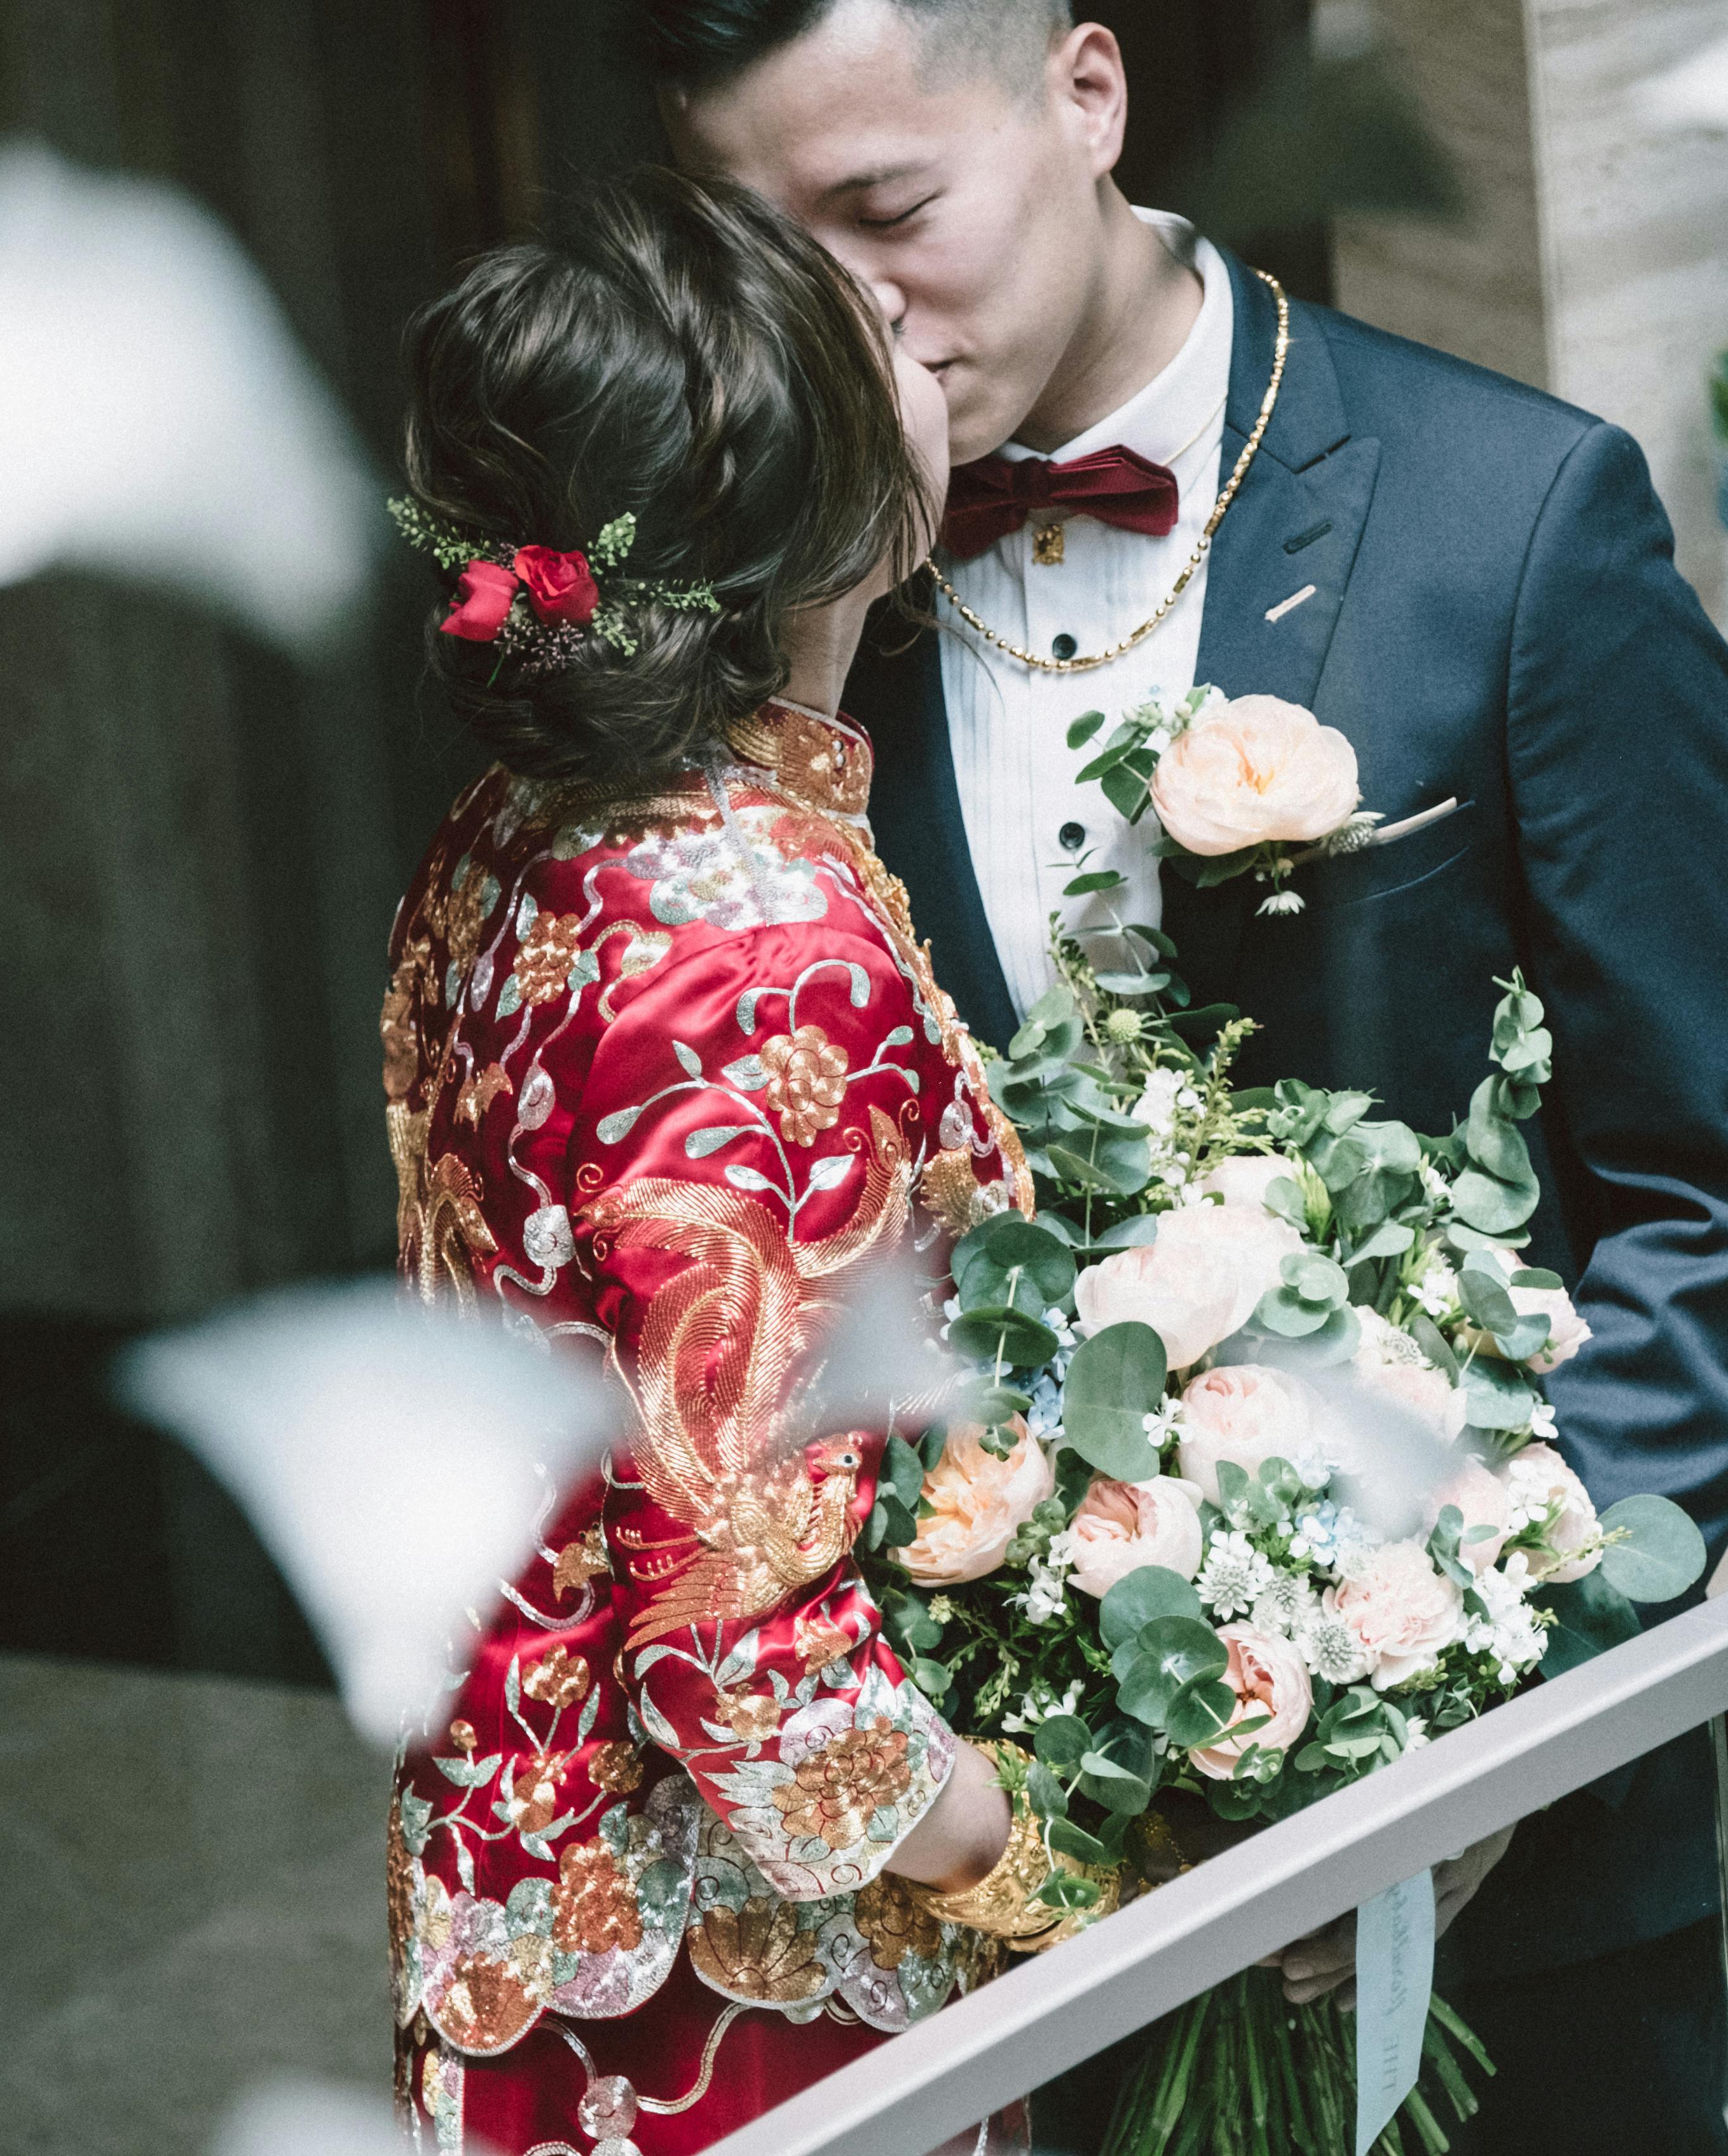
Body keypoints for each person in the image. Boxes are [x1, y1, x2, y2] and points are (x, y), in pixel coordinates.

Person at [636, 0, 1728, 2153]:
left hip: (1520, 1856)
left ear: (1084, 96)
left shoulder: (1517, 528)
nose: (845, 323)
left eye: (892, 218)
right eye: (764, 251)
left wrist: (1479, 1714)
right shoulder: (756, 615)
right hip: (1012, 1891)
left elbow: (1725, 1199)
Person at [376, 169, 1090, 2155]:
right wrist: (1046, 1860)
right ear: (841, 514)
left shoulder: (520, 827)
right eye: (867, 326)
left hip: (523, 1875)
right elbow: (749, 1675)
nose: (917, 326)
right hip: (735, 2003)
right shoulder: (758, 956)